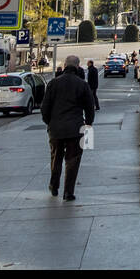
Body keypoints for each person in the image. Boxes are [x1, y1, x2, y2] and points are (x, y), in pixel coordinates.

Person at [41, 54, 95, 201]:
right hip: (75, 128)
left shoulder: (53, 83)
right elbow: (90, 108)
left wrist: (50, 122)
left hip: (56, 128)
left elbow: (44, 108)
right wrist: (88, 123)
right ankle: (68, 192)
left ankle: (54, 185)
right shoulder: (82, 84)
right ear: (77, 67)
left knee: (55, 157)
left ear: (65, 65)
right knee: (73, 160)